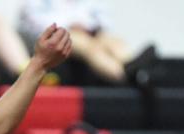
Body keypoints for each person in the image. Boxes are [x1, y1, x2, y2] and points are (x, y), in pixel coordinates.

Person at [18, 0, 156, 84]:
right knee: (89, 47)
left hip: (90, 34)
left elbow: (104, 19)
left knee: (114, 42)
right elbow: (35, 24)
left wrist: (88, 27)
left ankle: (132, 65)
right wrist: (71, 25)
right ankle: (128, 76)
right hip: (61, 37)